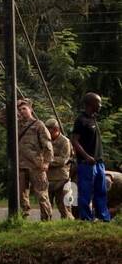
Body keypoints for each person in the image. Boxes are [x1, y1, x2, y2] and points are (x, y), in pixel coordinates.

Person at [71, 93, 112, 222]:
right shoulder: (81, 120)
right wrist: (86, 156)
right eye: (98, 103)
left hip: (99, 162)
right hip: (86, 163)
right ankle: (86, 218)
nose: (100, 105)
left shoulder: (93, 118)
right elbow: (75, 141)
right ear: (90, 104)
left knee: (101, 191)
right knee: (86, 192)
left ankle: (103, 218)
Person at [14, 98, 54, 221]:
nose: (21, 111)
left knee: (41, 194)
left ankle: (46, 218)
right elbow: (0, 118)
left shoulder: (38, 125)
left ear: (30, 110)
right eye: (19, 110)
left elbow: (47, 145)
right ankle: (24, 217)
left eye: (24, 109)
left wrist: (46, 162)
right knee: (21, 194)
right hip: (20, 164)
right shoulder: (17, 125)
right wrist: (12, 105)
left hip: (36, 165)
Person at [45, 118, 74, 220]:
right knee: (46, 206)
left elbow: (62, 160)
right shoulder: (45, 141)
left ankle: (68, 225)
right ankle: (45, 226)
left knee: (65, 206)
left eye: (50, 130)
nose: (48, 132)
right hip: (47, 178)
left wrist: (46, 161)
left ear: (56, 129)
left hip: (62, 179)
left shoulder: (65, 141)